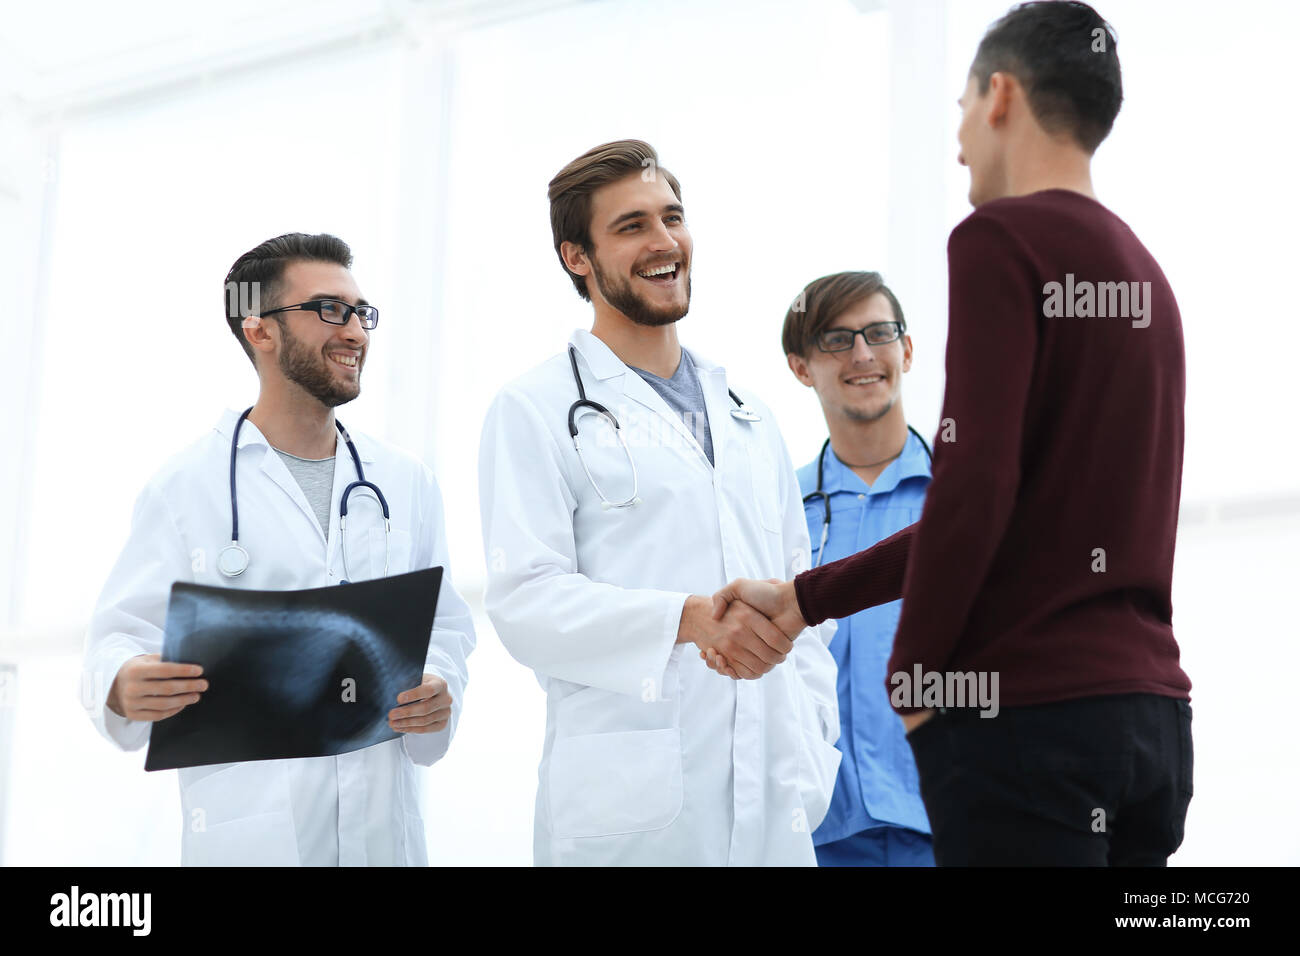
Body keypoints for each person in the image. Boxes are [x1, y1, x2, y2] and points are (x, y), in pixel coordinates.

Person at [711, 1, 1193, 866]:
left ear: (1001, 95)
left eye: (964, 108)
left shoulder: (1000, 239)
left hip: (1029, 731)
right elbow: (1011, 518)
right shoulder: (1144, 275)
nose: (961, 139)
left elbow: (974, 487)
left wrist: (917, 677)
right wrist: (807, 599)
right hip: (1148, 727)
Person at [478, 139, 840, 866]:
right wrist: (684, 620)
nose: (664, 241)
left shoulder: (748, 413)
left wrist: (809, 765)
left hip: (774, 806)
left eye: (672, 217)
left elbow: (803, 609)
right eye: (632, 226)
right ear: (576, 257)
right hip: (628, 814)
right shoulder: (535, 408)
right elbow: (525, 602)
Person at [81, 232, 475, 866]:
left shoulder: (405, 481)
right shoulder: (188, 487)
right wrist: (123, 684)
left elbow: (446, 626)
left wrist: (438, 683)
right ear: (259, 330)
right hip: (252, 836)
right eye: (328, 309)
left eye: (360, 312)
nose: (354, 331)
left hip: (383, 835)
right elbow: (117, 637)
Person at [783, 271, 935, 867]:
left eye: (879, 333)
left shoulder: (971, 501)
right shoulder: (778, 514)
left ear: (908, 349)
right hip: (822, 833)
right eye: (837, 340)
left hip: (956, 821)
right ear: (801, 366)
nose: (863, 354)